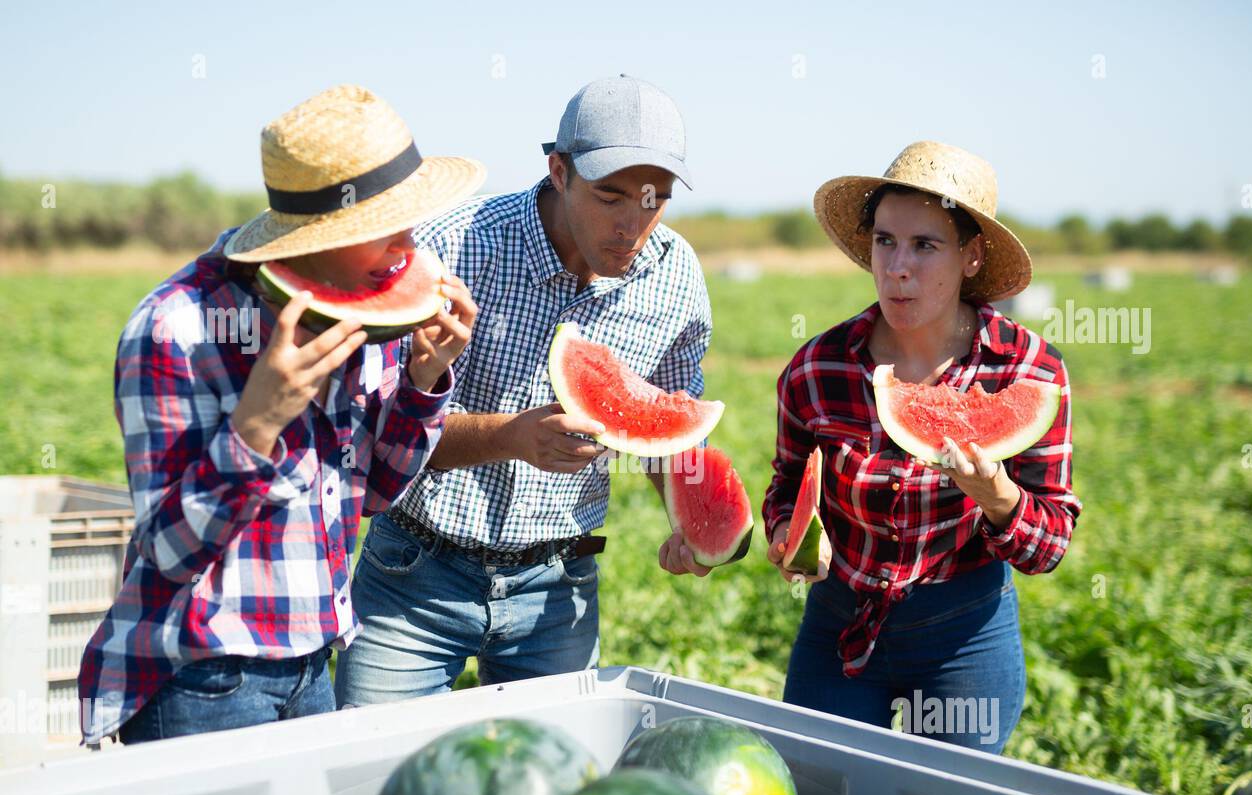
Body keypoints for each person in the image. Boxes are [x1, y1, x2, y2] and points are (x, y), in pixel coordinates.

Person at [78, 84, 484, 745]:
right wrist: (258, 422)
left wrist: (422, 379)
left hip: (313, 663)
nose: (411, 243)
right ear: (323, 233)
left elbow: (374, 494)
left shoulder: (359, 310)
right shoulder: (175, 327)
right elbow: (171, 552)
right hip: (201, 680)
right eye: (391, 224)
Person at [335, 75, 713, 706]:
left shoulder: (675, 276)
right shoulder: (455, 247)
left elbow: (669, 424)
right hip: (415, 575)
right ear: (559, 171)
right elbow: (381, 436)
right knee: (365, 780)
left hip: (558, 587)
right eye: (610, 196)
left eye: (654, 200)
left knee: (550, 790)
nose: (633, 225)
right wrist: (512, 437)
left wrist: (696, 516)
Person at [762, 141, 1082, 755]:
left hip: (964, 637)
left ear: (971, 256)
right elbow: (786, 485)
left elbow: (1050, 544)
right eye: (885, 241)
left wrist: (999, 498)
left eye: (924, 245)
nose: (897, 267)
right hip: (839, 624)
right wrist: (789, 533)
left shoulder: (1029, 374)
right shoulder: (817, 367)